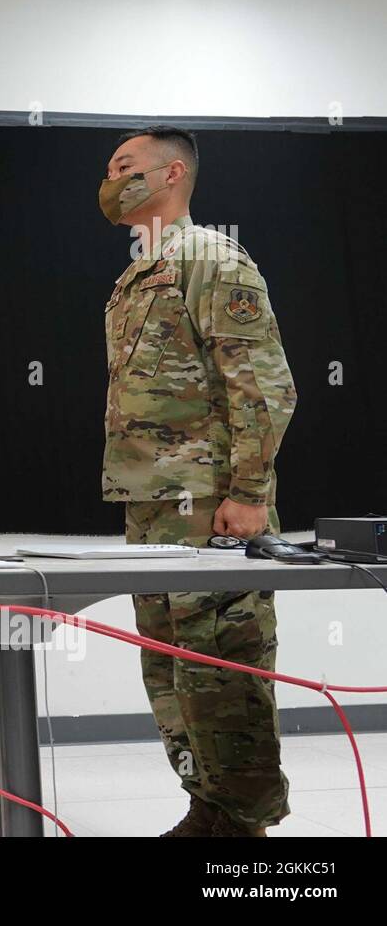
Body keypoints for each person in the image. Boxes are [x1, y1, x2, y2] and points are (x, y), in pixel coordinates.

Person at [99, 125, 298, 837]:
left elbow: (265, 387)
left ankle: (242, 826)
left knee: (223, 672)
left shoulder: (211, 260)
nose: (112, 179)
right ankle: (207, 811)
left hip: (211, 506)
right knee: (172, 673)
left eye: (125, 167)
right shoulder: (140, 273)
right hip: (153, 508)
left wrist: (247, 493)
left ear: (172, 173)